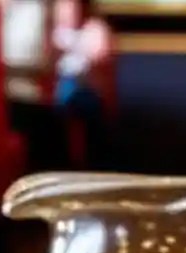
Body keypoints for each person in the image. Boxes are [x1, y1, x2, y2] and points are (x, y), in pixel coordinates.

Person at [50, 0, 112, 167]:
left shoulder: (95, 28)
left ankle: (86, 160)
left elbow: (100, 58)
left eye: (74, 6)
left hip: (88, 86)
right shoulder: (53, 31)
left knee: (80, 101)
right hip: (57, 86)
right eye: (65, 6)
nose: (70, 11)